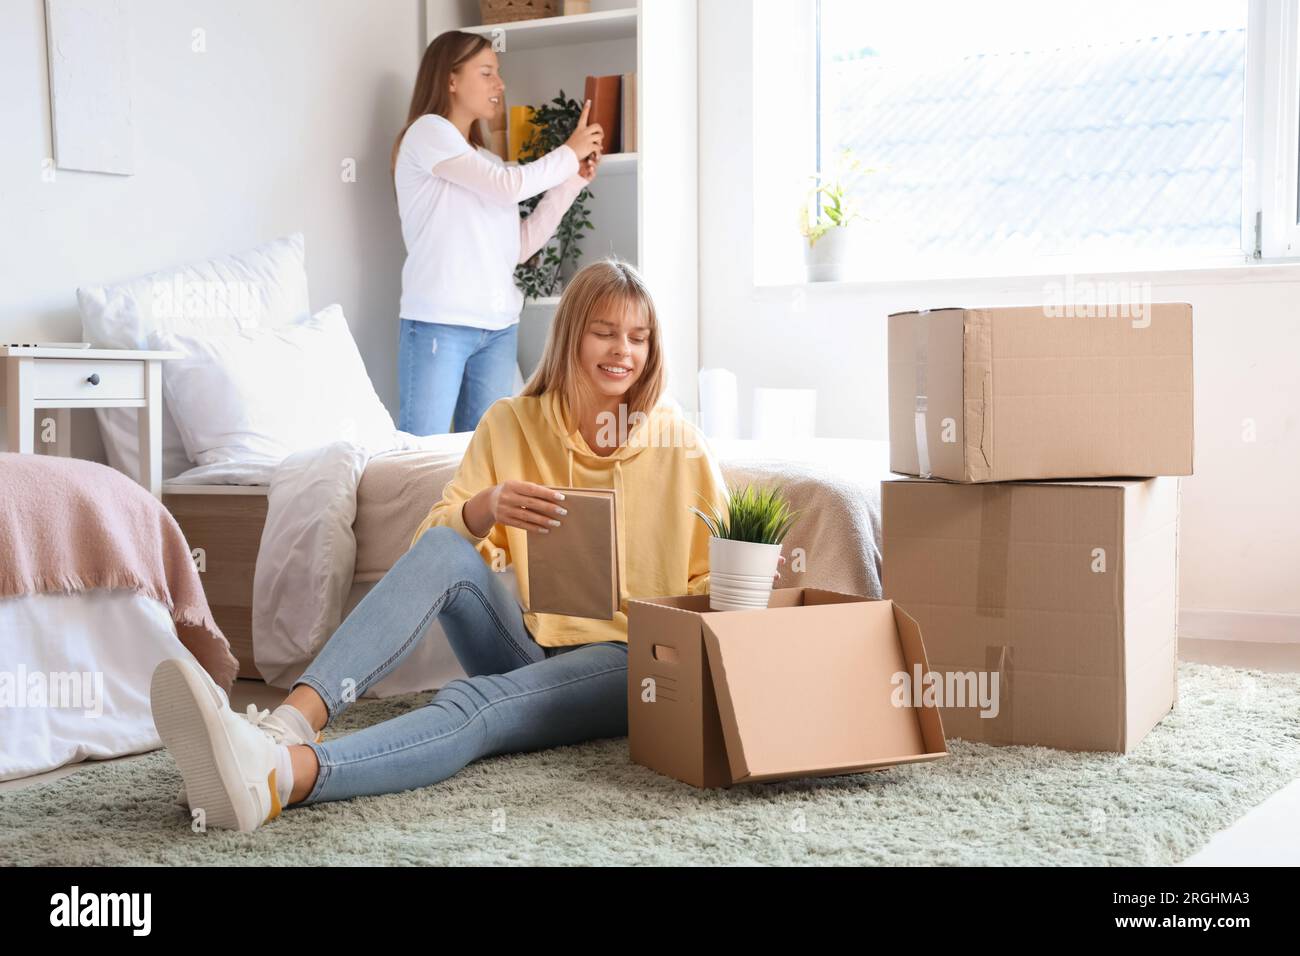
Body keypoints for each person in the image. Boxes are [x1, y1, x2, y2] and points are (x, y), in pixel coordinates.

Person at [150, 259, 776, 833]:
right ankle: (288, 724)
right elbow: (431, 555)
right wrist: (486, 508)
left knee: (476, 703)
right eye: (605, 333)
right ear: (571, 337)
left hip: (628, 664)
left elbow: (722, 581)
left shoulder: (680, 445)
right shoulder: (512, 423)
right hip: (530, 644)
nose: (623, 351)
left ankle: (280, 777)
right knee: (448, 550)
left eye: (639, 338)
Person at [391, 30, 604, 434]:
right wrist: (568, 152)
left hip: (498, 328)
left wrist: (572, 180)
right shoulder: (427, 133)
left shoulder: (488, 160)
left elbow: (519, 246)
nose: (500, 84)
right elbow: (509, 187)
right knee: (422, 454)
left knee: (487, 457)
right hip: (440, 322)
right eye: (487, 72)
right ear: (451, 80)